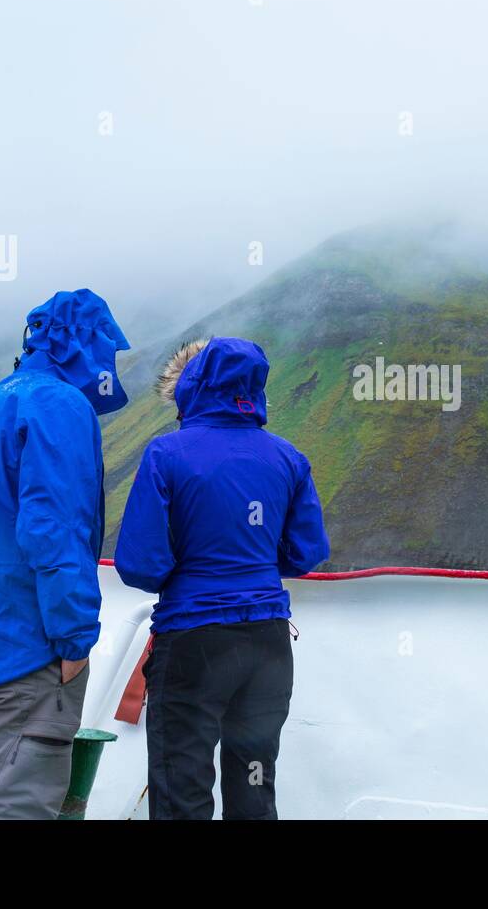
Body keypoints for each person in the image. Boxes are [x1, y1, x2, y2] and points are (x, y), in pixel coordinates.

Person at [115, 336, 330, 819]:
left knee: (181, 788)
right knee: (254, 786)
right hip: (268, 643)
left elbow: (140, 564)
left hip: (193, 642)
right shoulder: (288, 458)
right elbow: (306, 552)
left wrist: (195, 569)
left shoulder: (166, 454)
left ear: (192, 384)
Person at [0, 289, 130, 820]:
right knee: (16, 804)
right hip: (29, 647)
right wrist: (74, 641)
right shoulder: (57, 404)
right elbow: (55, 529)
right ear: (84, 343)